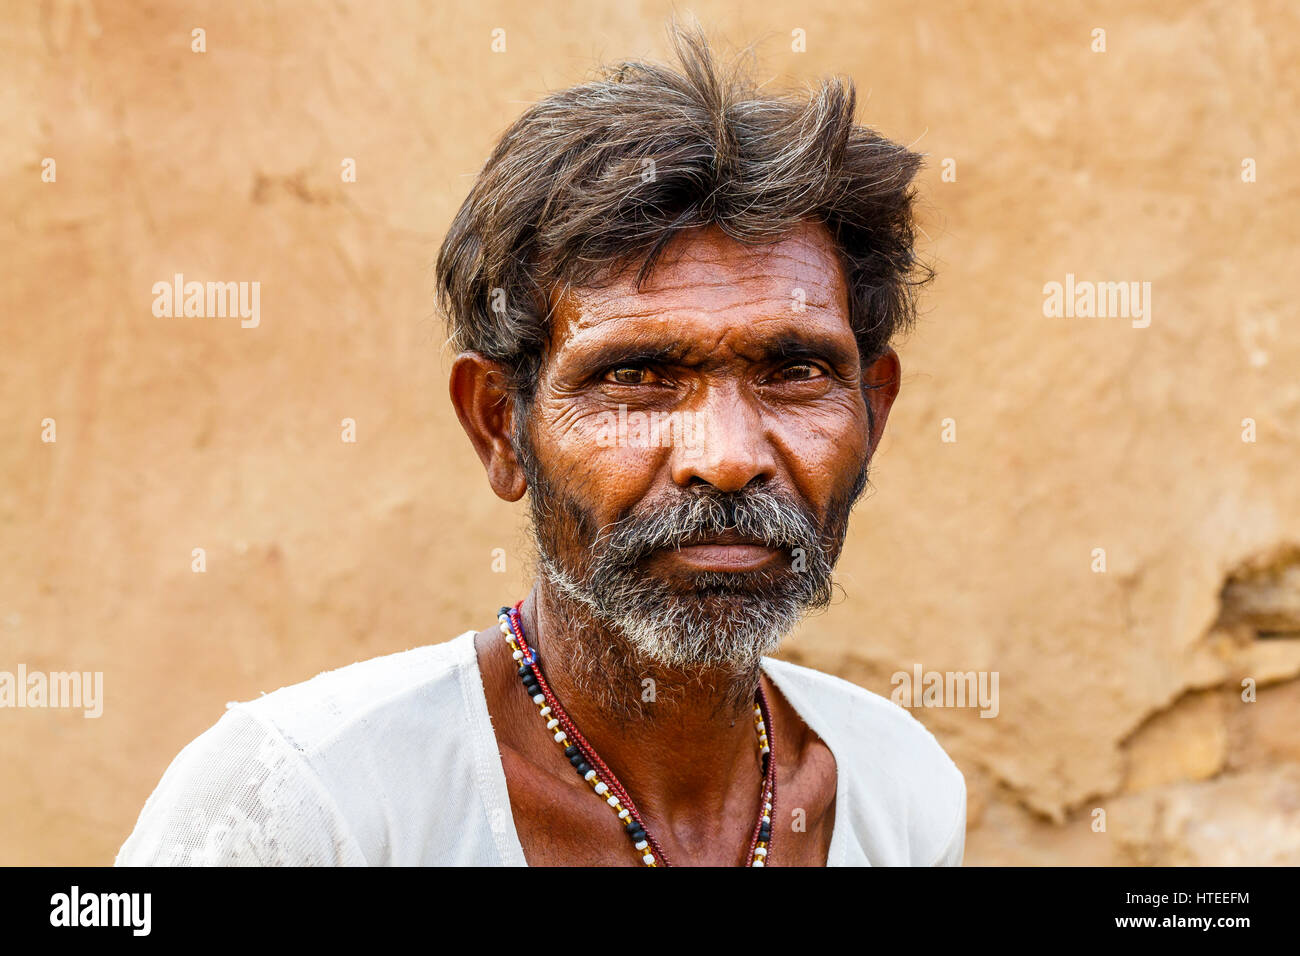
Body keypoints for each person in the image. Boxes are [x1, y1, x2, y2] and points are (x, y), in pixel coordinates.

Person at [116, 21, 964, 867]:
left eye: (796, 370)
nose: (729, 455)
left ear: (873, 410)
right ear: (500, 426)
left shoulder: (897, 786)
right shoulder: (303, 801)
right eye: (637, 377)